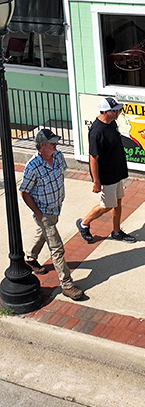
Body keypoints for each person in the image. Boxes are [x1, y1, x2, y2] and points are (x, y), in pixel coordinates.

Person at [19, 128, 85, 300]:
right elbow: (24, 192)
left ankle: (30, 258)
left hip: (56, 207)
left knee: (43, 233)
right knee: (57, 248)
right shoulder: (32, 167)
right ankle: (67, 284)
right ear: (42, 145)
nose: (56, 144)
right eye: (52, 142)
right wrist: (38, 213)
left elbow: (61, 175)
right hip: (44, 212)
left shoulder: (58, 156)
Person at [76, 97, 136, 244]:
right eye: (115, 110)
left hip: (117, 172)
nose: (118, 112)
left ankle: (116, 231)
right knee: (107, 205)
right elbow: (93, 158)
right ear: (105, 112)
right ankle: (84, 223)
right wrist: (96, 181)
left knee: (118, 202)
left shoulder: (112, 123)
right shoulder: (97, 132)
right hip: (106, 176)